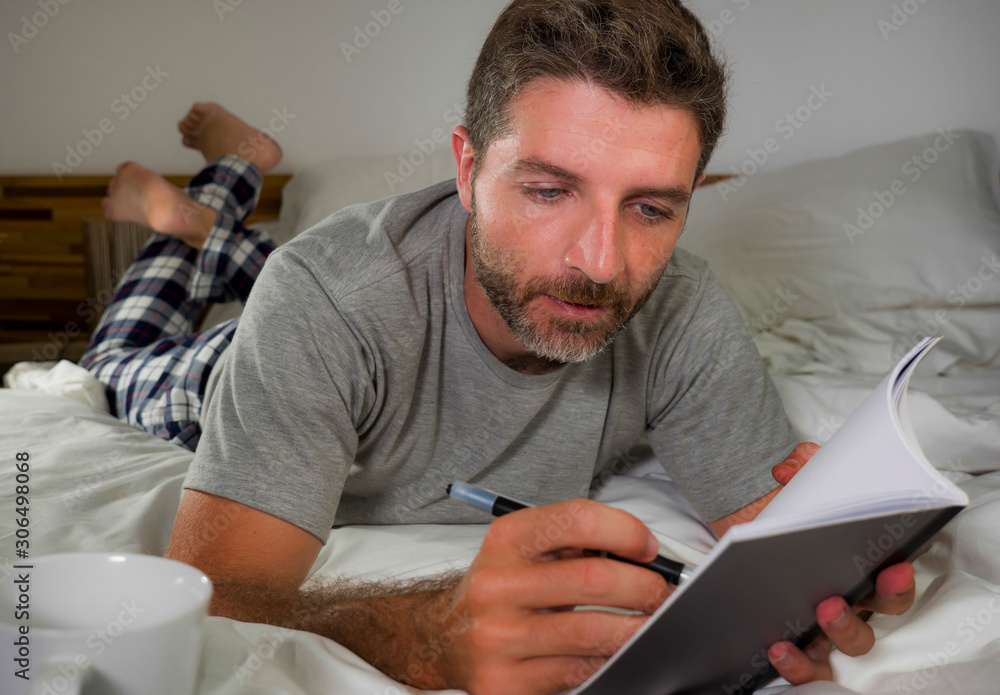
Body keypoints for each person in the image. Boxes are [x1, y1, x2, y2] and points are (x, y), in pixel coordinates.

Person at [83, 2, 916, 694]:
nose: (600, 263)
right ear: (467, 167)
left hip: (344, 303)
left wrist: (817, 584)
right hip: (195, 378)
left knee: (274, 270)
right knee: (117, 354)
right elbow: (217, 596)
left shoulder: (684, 308)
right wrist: (426, 630)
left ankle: (214, 213)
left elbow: (765, 535)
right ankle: (210, 189)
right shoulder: (326, 295)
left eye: (652, 209)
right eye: (549, 190)